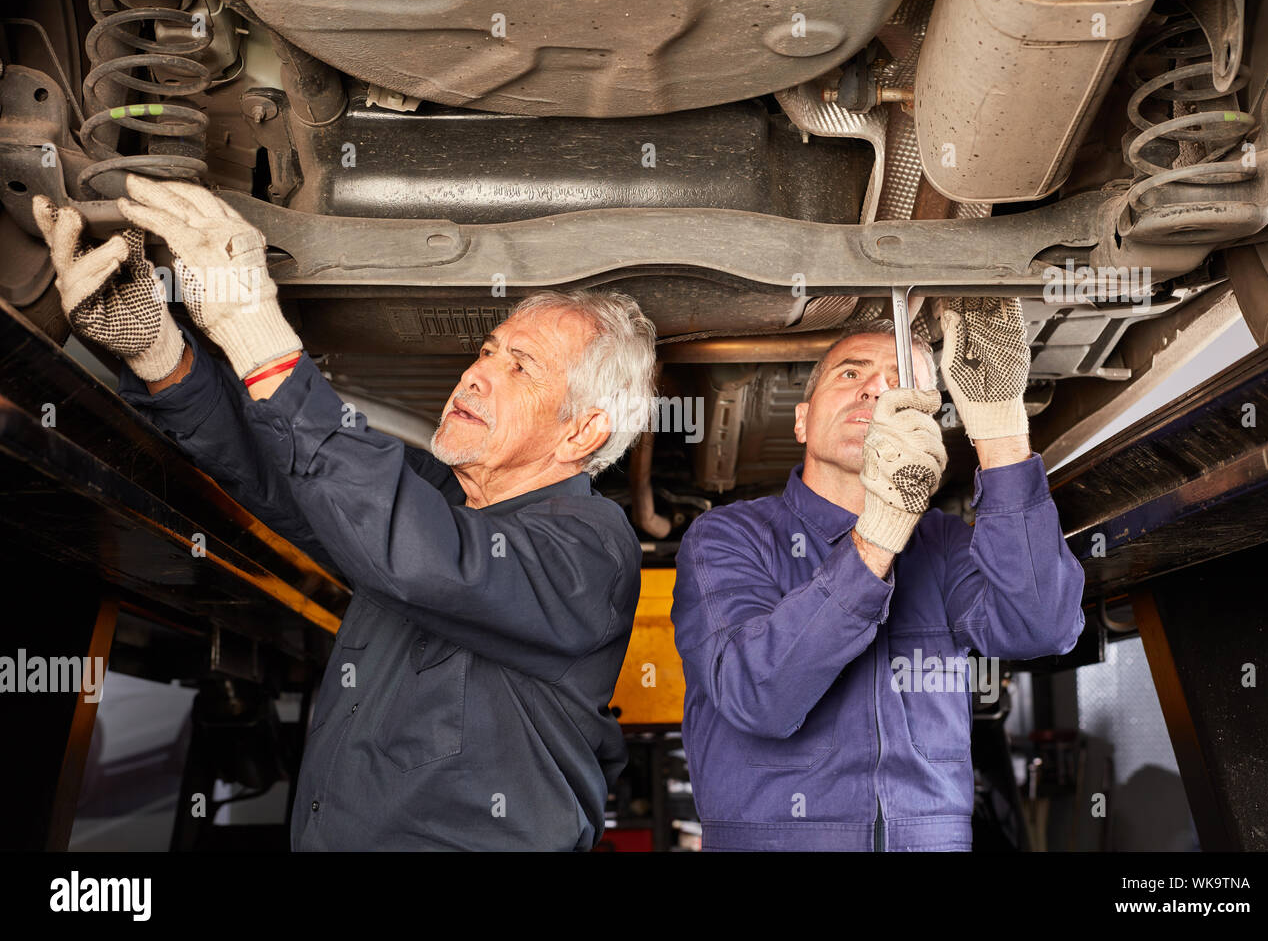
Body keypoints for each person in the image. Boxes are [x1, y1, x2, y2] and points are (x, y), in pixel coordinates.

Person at [32, 175, 658, 850]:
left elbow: (420, 560)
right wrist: (162, 355)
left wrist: (255, 329)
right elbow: (288, 470)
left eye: (521, 367)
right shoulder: (434, 501)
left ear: (582, 433)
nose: (476, 374)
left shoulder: (592, 550)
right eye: (486, 350)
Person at [670, 305, 1087, 851]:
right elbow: (757, 694)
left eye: (903, 383)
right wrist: (882, 529)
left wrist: (1001, 431)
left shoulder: (941, 543)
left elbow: (1041, 627)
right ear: (801, 420)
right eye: (851, 373)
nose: (877, 390)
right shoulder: (726, 537)